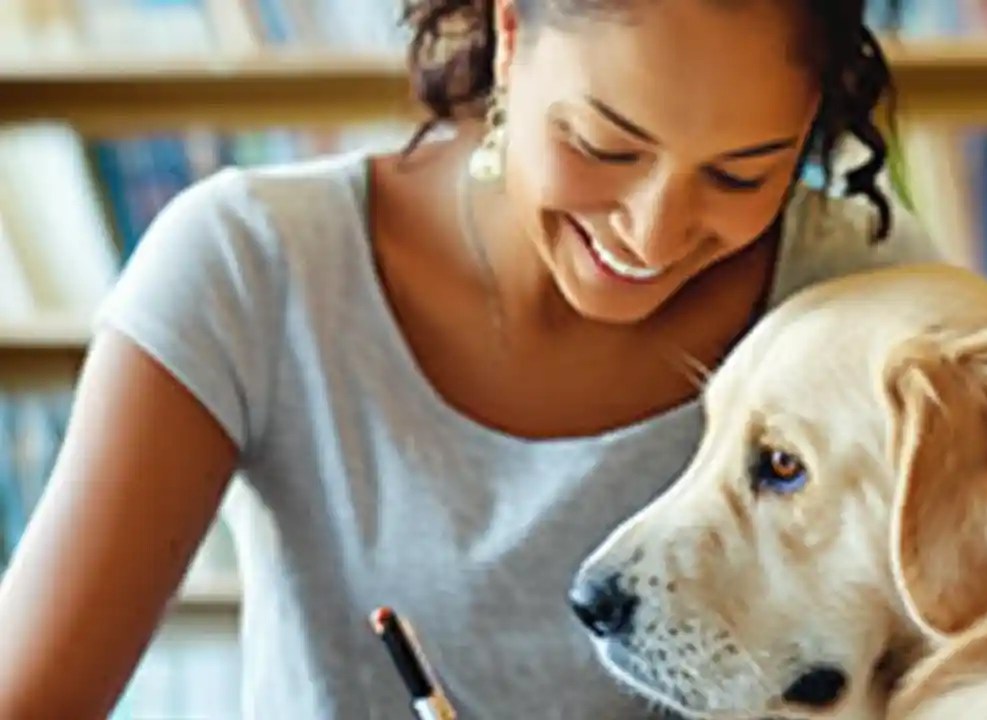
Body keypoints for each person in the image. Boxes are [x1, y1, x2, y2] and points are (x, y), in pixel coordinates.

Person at [0, 0, 937, 717]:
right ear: (512, 33)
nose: (652, 234)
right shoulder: (251, 267)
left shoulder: (860, 295)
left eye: (741, 173)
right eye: (603, 144)